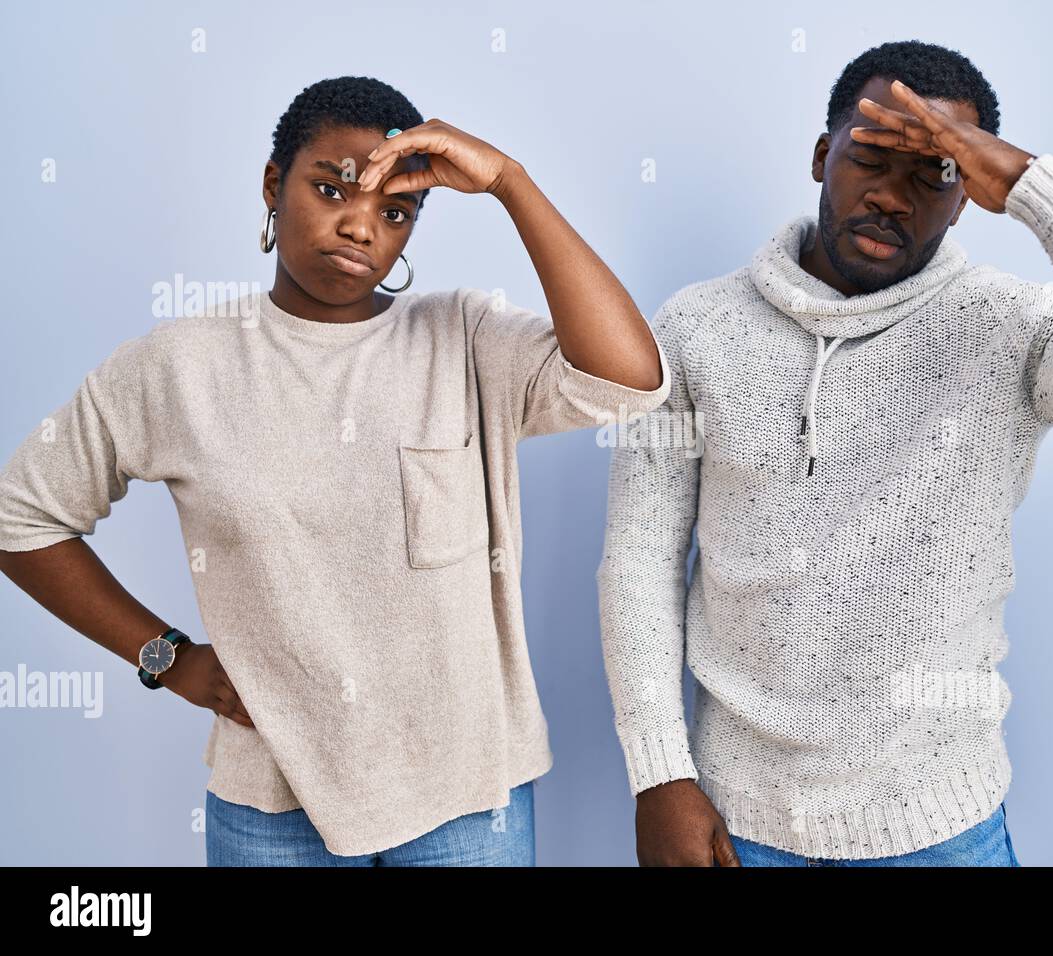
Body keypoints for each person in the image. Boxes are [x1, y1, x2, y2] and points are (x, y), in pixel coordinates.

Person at [596, 40, 1053, 867]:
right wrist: (659, 775)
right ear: (820, 155)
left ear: (968, 198)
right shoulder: (696, 328)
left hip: (942, 830)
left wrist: (1038, 193)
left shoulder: (1009, 329)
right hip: (737, 825)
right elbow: (639, 560)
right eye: (870, 158)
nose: (890, 197)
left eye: (935, 174)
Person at [0, 75, 669, 866]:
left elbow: (628, 382)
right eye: (330, 190)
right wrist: (169, 659)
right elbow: (22, 518)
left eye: (395, 213)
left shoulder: (463, 336)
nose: (360, 228)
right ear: (272, 186)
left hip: (466, 797)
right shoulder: (177, 367)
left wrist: (509, 184)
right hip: (272, 803)